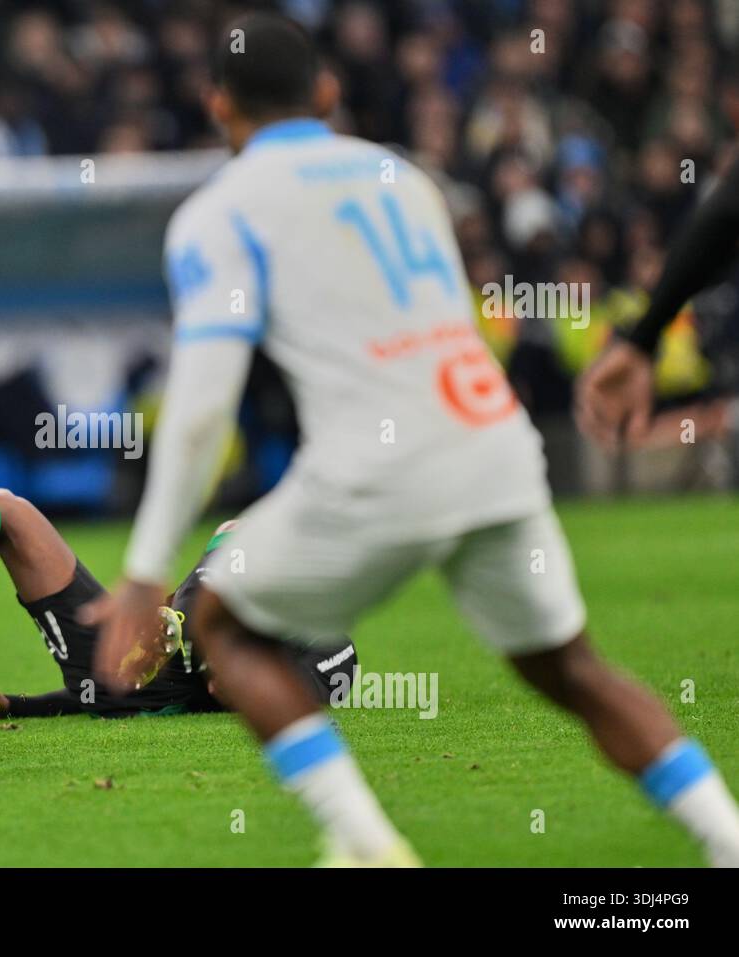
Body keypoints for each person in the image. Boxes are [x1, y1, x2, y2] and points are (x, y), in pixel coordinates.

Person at [91, 12, 739, 866]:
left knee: (225, 629)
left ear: (218, 106)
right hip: (495, 445)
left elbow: (204, 407)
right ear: (326, 92)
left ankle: (367, 842)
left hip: (377, 464)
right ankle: (725, 838)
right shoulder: (407, 176)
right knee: (572, 670)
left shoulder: (217, 215)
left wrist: (143, 574)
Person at [0, 472, 357, 718]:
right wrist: (15, 704)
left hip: (131, 666)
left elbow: (293, 705)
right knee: (11, 514)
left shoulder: (330, 649)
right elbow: (114, 680)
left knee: (15, 516)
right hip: (120, 657)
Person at [578, 157, 739, 447]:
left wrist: (641, 340)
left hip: (691, 391)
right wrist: (641, 341)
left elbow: (725, 213)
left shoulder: (692, 300)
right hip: (660, 394)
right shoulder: (623, 303)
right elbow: (725, 214)